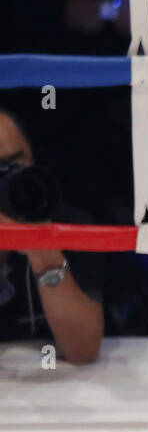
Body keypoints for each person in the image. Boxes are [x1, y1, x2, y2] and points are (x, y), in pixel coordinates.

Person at [0, 109, 104, 365]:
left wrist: (41, 248)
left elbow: (83, 349)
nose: (5, 178)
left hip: (52, 386)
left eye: (15, 163)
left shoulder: (70, 225)